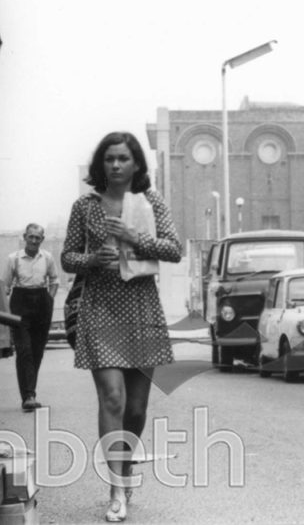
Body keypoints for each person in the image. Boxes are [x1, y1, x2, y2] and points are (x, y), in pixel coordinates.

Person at [61, 131, 182, 523]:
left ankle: (126, 471)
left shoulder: (151, 202)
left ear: (136, 165)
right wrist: (92, 259)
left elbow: (174, 249)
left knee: (136, 407)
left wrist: (136, 238)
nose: (115, 165)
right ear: (101, 164)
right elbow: (66, 257)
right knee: (112, 399)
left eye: (123, 159)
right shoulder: (85, 206)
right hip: (100, 310)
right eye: (109, 159)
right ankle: (116, 488)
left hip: (142, 308)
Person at [2, 223, 60, 412]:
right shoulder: (14, 259)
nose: (34, 240)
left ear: (42, 239)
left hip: (42, 303)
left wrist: (49, 299)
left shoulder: (48, 257)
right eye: (31, 237)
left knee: (37, 351)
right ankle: (28, 396)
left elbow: (54, 280)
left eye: (38, 237)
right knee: (24, 350)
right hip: (20, 302)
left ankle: (30, 392)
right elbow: (6, 286)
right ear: (24, 237)